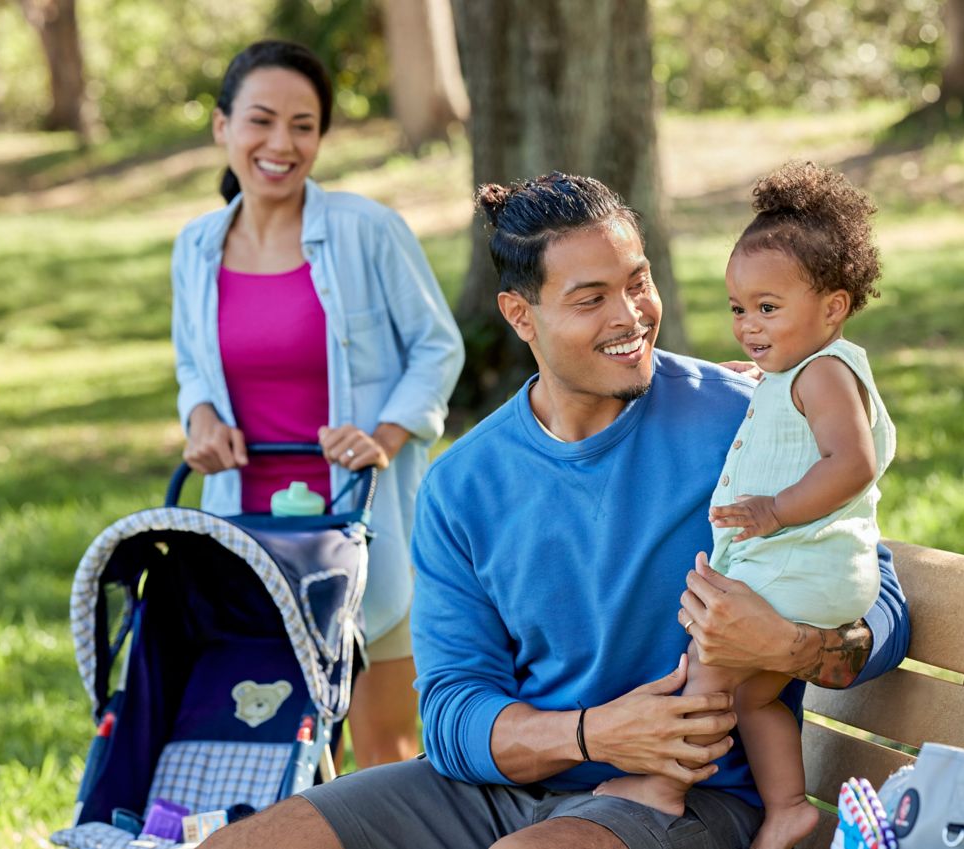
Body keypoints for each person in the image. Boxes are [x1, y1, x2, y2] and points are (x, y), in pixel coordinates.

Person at [201, 172, 908, 849]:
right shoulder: (462, 484)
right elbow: (449, 712)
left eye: (637, 282)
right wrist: (592, 734)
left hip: (693, 800)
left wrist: (788, 647)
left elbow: (881, 598)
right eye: (590, 297)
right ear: (520, 314)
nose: (630, 316)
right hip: (500, 788)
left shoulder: (743, 415)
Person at [170, 40, 463, 769]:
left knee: (386, 753)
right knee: (270, 750)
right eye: (261, 121)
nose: (281, 143)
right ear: (221, 127)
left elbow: (437, 346)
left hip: (361, 534)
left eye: (303, 125)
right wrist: (200, 415)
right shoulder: (195, 247)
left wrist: (386, 436)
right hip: (247, 539)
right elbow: (191, 365)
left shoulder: (368, 232)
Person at [592, 161, 894, 849]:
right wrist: (762, 377)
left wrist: (776, 511)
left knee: (706, 665)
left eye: (767, 309)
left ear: (833, 308)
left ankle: (663, 787)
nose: (748, 325)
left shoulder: (822, 372)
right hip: (810, 574)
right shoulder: (803, 369)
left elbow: (852, 461)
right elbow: (794, 410)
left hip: (794, 567)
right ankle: (787, 804)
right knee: (751, 696)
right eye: (737, 309)